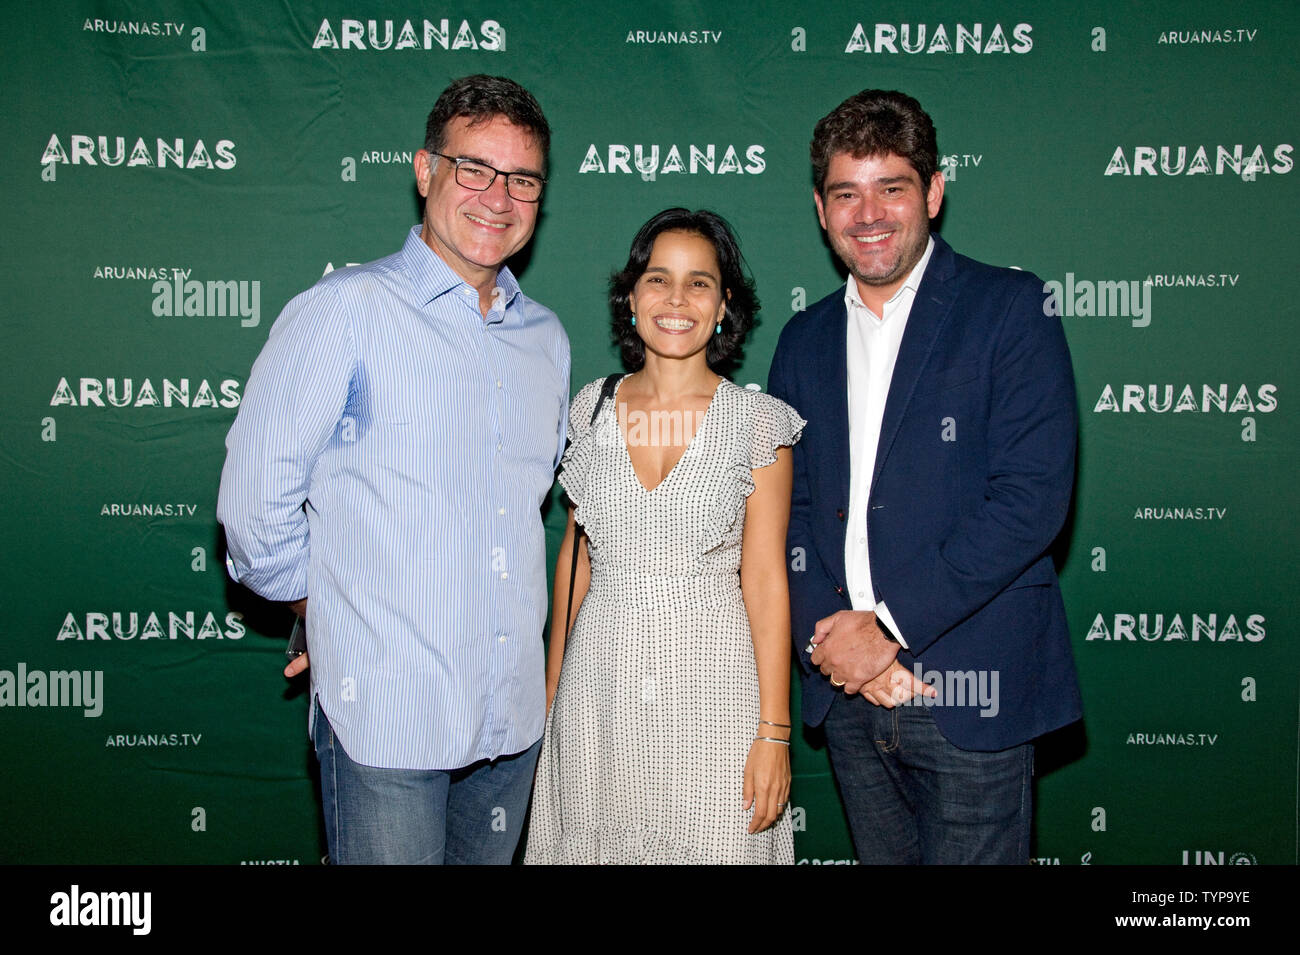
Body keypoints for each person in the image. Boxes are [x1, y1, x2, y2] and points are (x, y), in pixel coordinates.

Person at [217, 75, 569, 864]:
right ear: (425, 170)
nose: (497, 197)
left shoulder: (546, 339)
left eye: (523, 179)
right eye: (473, 168)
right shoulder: (345, 310)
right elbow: (252, 508)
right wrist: (328, 604)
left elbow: (514, 511)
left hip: (508, 724)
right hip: (385, 719)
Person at [767, 89, 1083, 864]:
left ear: (934, 192)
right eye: (846, 193)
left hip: (966, 689)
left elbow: (1030, 500)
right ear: (820, 208)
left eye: (892, 188)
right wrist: (837, 646)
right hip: (847, 694)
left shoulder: (1010, 308)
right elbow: (790, 509)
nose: (868, 213)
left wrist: (887, 633)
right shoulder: (803, 339)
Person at [524, 208, 802, 864]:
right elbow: (578, 555)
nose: (676, 300)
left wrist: (774, 730)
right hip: (600, 681)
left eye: (699, 282)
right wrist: (551, 689)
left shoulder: (756, 424)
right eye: (658, 279)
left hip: (714, 682)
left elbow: (764, 581)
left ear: (724, 304)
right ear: (631, 294)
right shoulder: (591, 407)